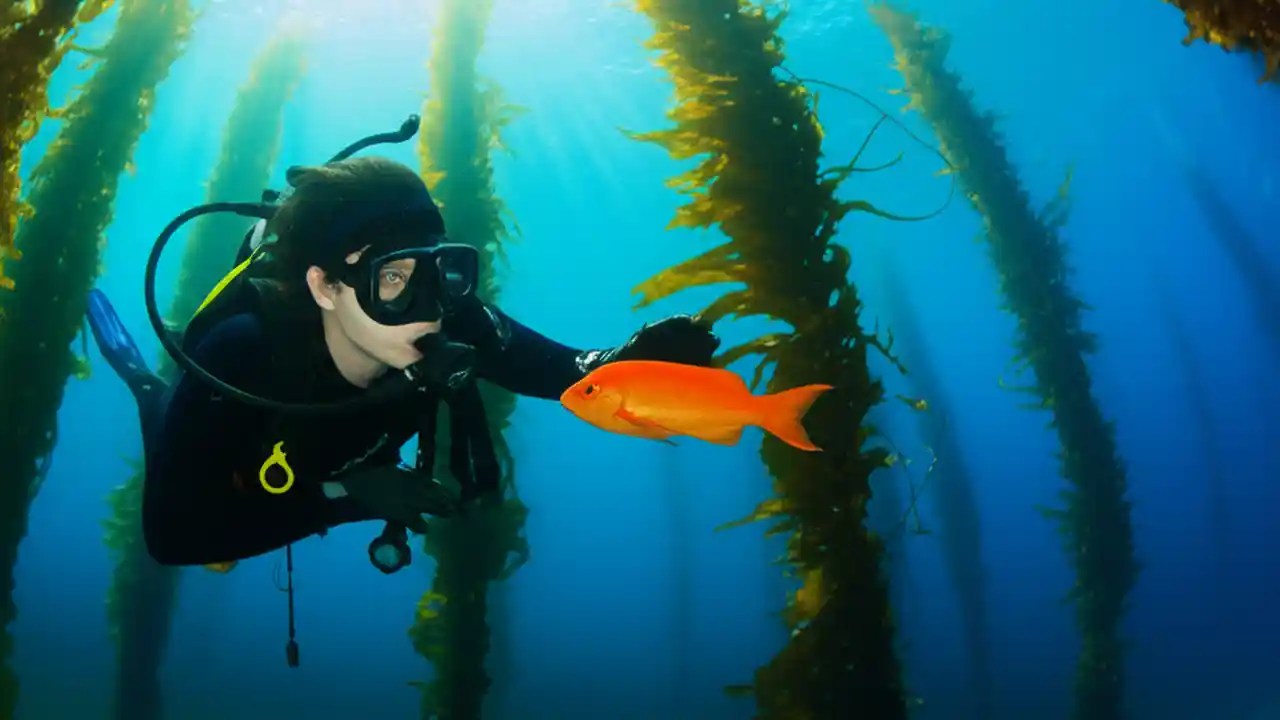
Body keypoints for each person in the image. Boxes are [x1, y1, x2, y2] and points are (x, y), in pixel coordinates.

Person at [87, 153, 720, 573]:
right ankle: (148, 385)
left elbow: (563, 372)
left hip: (322, 461)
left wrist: (624, 362)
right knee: (172, 418)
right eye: (391, 276)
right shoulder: (242, 356)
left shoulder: (446, 311)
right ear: (326, 286)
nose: (428, 306)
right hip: (253, 453)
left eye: (432, 269)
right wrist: (341, 495)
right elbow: (174, 539)